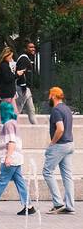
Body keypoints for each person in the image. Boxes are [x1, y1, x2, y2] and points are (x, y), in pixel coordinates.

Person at [43, 86, 75, 214]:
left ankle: (58, 204)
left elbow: (60, 128)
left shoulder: (56, 110)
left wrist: (52, 143)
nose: (48, 98)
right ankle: (70, 206)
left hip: (60, 145)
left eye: (49, 96)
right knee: (67, 176)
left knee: (47, 172)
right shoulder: (67, 109)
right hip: (69, 144)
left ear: (54, 96)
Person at [14, 41, 37, 124]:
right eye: (30, 47)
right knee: (17, 109)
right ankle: (10, 127)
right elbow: (21, 73)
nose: (33, 49)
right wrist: (23, 86)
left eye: (33, 47)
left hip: (26, 88)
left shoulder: (28, 58)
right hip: (22, 88)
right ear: (25, 49)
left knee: (31, 110)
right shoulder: (24, 58)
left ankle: (36, 127)